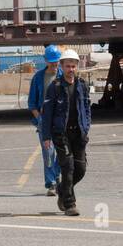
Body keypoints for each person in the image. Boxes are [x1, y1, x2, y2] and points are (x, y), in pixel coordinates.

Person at [38, 49, 90, 217]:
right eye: (67, 66)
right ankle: (69, 204)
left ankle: (62, 189)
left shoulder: (82, 85)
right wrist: (46, 136)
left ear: (77, 66)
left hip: (79, 134)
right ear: (62, 66)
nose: (71, 69)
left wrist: (86, 126)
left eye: (73, 66)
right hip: (61, 134)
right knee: (67, 169)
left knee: (80, 169)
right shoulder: (55, 87)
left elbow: (87, 108)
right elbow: (47, 114)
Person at [27, 45, 63, 195]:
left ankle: (57, 175)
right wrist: (40, 119)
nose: (55, 66)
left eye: (57, 62)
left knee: (62, 151)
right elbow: (32, 103)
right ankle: (51, 183)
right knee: (48, 152)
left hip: (60, 120)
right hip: (44, 122)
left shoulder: (63, 75)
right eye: (52, 63)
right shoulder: (38, 78)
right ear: (46, 61)